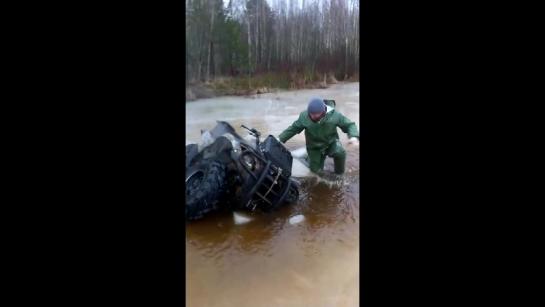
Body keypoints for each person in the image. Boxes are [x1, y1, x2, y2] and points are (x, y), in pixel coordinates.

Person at [278, 97, 359, 175]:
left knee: (340, 152)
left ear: (323, 111)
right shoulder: (304, 116)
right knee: (315, 172)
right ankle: (308, 157)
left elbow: (349, 125)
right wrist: (280, 138)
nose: (314, 116)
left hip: (331, 143)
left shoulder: (335, 115)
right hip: (314, 147)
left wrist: (353, 137)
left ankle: (339, 174)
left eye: (317, 114)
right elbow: (293, 129)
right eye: (312, 114)